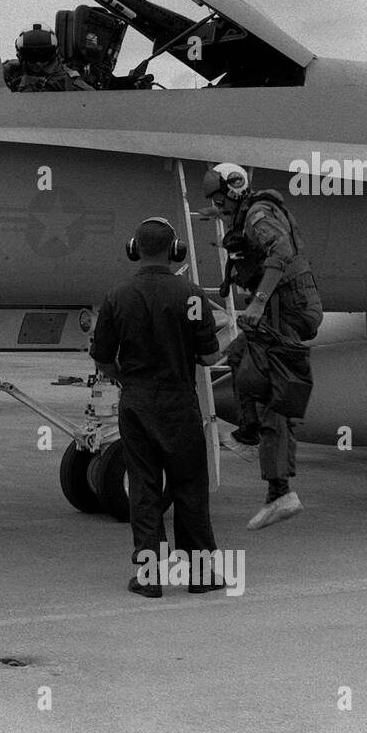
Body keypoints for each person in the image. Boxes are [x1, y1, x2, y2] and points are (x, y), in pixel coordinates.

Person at [90, 218, 226, 598]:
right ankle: (201, 574)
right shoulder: (194, 295)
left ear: (135, 248)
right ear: (176, 250)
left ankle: (150, 577)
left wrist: (125, 379)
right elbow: (210, 355)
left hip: (136, 403)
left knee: (145, 488)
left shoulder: (118, 295)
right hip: (179, 402)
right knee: (189, 488)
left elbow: (102, 358)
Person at [200, 163, 324, 531]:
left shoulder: (257, 215)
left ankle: (280, 493)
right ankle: (249, 434)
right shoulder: (250, 213)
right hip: (282, 306)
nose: (218, 206)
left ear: (234, 191)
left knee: (274, 397)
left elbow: (281, 250)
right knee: (238, 355)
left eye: (220, 199)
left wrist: (256, 302)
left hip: (287, 307)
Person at [3, 24, 92, 92]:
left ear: (54, 54)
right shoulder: (9, 71)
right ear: (21, 56)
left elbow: (96, 100)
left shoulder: (67, 80)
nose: (38, 63)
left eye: (43, 56)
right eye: (31, 56)